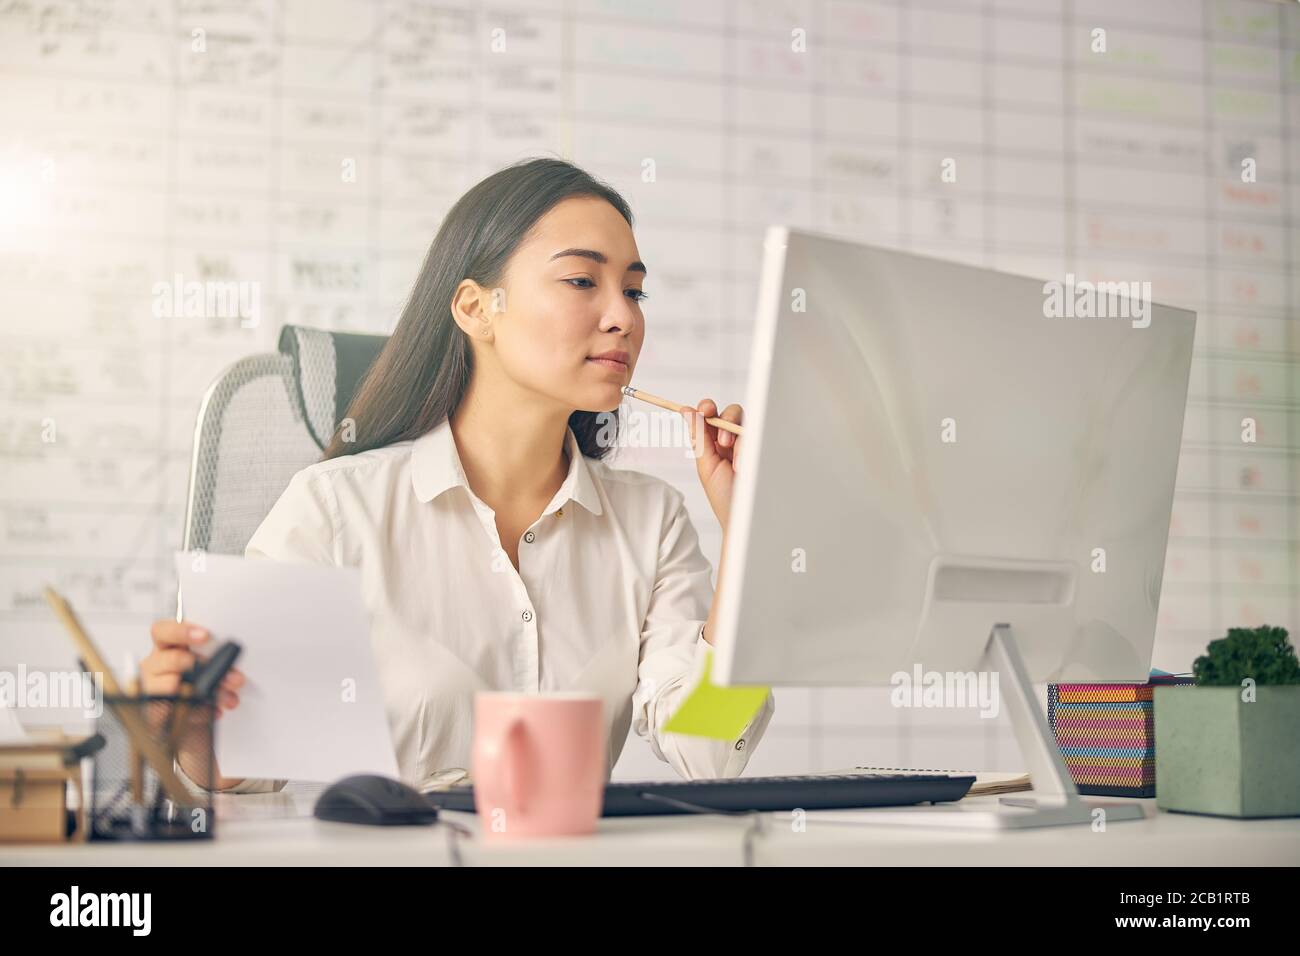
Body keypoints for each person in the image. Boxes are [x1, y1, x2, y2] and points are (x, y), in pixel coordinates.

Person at [140, 157, 775, 792]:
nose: (623, 318)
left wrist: (750, 542)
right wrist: (192, 726)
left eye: (634, 290)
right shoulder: (335, 511)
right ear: (476, 309)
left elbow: (710, 747)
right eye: (583, 281)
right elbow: (241, 763)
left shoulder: (652, 520)